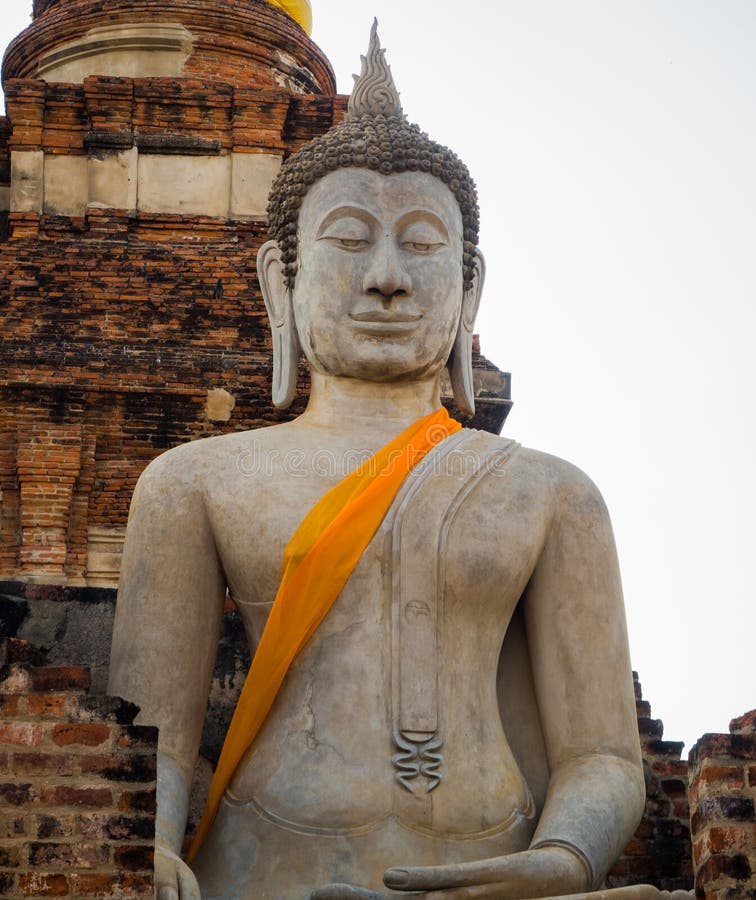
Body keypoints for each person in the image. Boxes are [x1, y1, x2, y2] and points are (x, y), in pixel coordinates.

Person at [108, 24, 646, 900]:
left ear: (470, 287)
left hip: (500, 865)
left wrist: (561, 861)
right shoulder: (195, 483)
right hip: (262, 872)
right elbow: (151, 744)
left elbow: (601, 757)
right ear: (279, 282)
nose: (388, 277)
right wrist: (149, 855)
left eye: (424, 244)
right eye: (351, 239)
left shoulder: (552, 493)